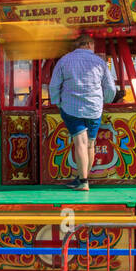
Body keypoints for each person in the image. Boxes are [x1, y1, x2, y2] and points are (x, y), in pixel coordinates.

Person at [47, 32, 116, 192]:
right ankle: (81, 178)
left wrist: (57, 102)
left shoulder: (65, 60)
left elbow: (53, 85)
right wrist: (105, 101)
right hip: (94, 109)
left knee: (80, 143)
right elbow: (111, 89)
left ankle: (83, 181)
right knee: (90, 144)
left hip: (72, 107)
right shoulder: (100, 62)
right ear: (89, 45)